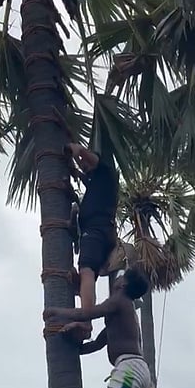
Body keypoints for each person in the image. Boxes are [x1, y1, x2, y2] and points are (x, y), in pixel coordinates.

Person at [43, 267, 150, 388]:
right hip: (134, 370)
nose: (116, 280)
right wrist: (71, 350)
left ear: (123, 284)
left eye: (120, 278)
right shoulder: (122, 313)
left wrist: (56, 312)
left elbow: (88, 313)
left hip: (130, 369)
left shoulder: (119, 300)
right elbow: (97, 344)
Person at [64, 142, 119, 342]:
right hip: (103, 232)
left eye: (86, 165)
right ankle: (82, 294)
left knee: (87, 271)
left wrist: (75, 150)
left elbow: (85, 156)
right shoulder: (99, 181)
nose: (84, 168)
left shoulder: (105, 170)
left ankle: (86, 322)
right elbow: (80, 173)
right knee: (86, 275)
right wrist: (74, 165)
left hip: (96, 231)